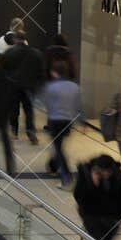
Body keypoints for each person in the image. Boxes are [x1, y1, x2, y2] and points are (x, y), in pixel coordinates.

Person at [43, 58, 83, 187]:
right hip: (67, 121)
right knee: (59, 146)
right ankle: (52, 166)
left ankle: (66, 177)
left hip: (55, 120)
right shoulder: (74, 87)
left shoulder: (51, 87)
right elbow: (79, 106)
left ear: (54, 72)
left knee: (59, 149)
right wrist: (83, 122)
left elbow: (47, 104)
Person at [1, 32, 46, 143]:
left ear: (15, 39)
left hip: (13, 86)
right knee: (29, 109)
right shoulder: (36, 53)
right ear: (25, 40)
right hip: (29, 87)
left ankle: (14, 132)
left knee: (14, 109)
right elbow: (41, 71)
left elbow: (3, 70)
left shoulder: (9, 52)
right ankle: (30, 130)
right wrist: (38, 84)